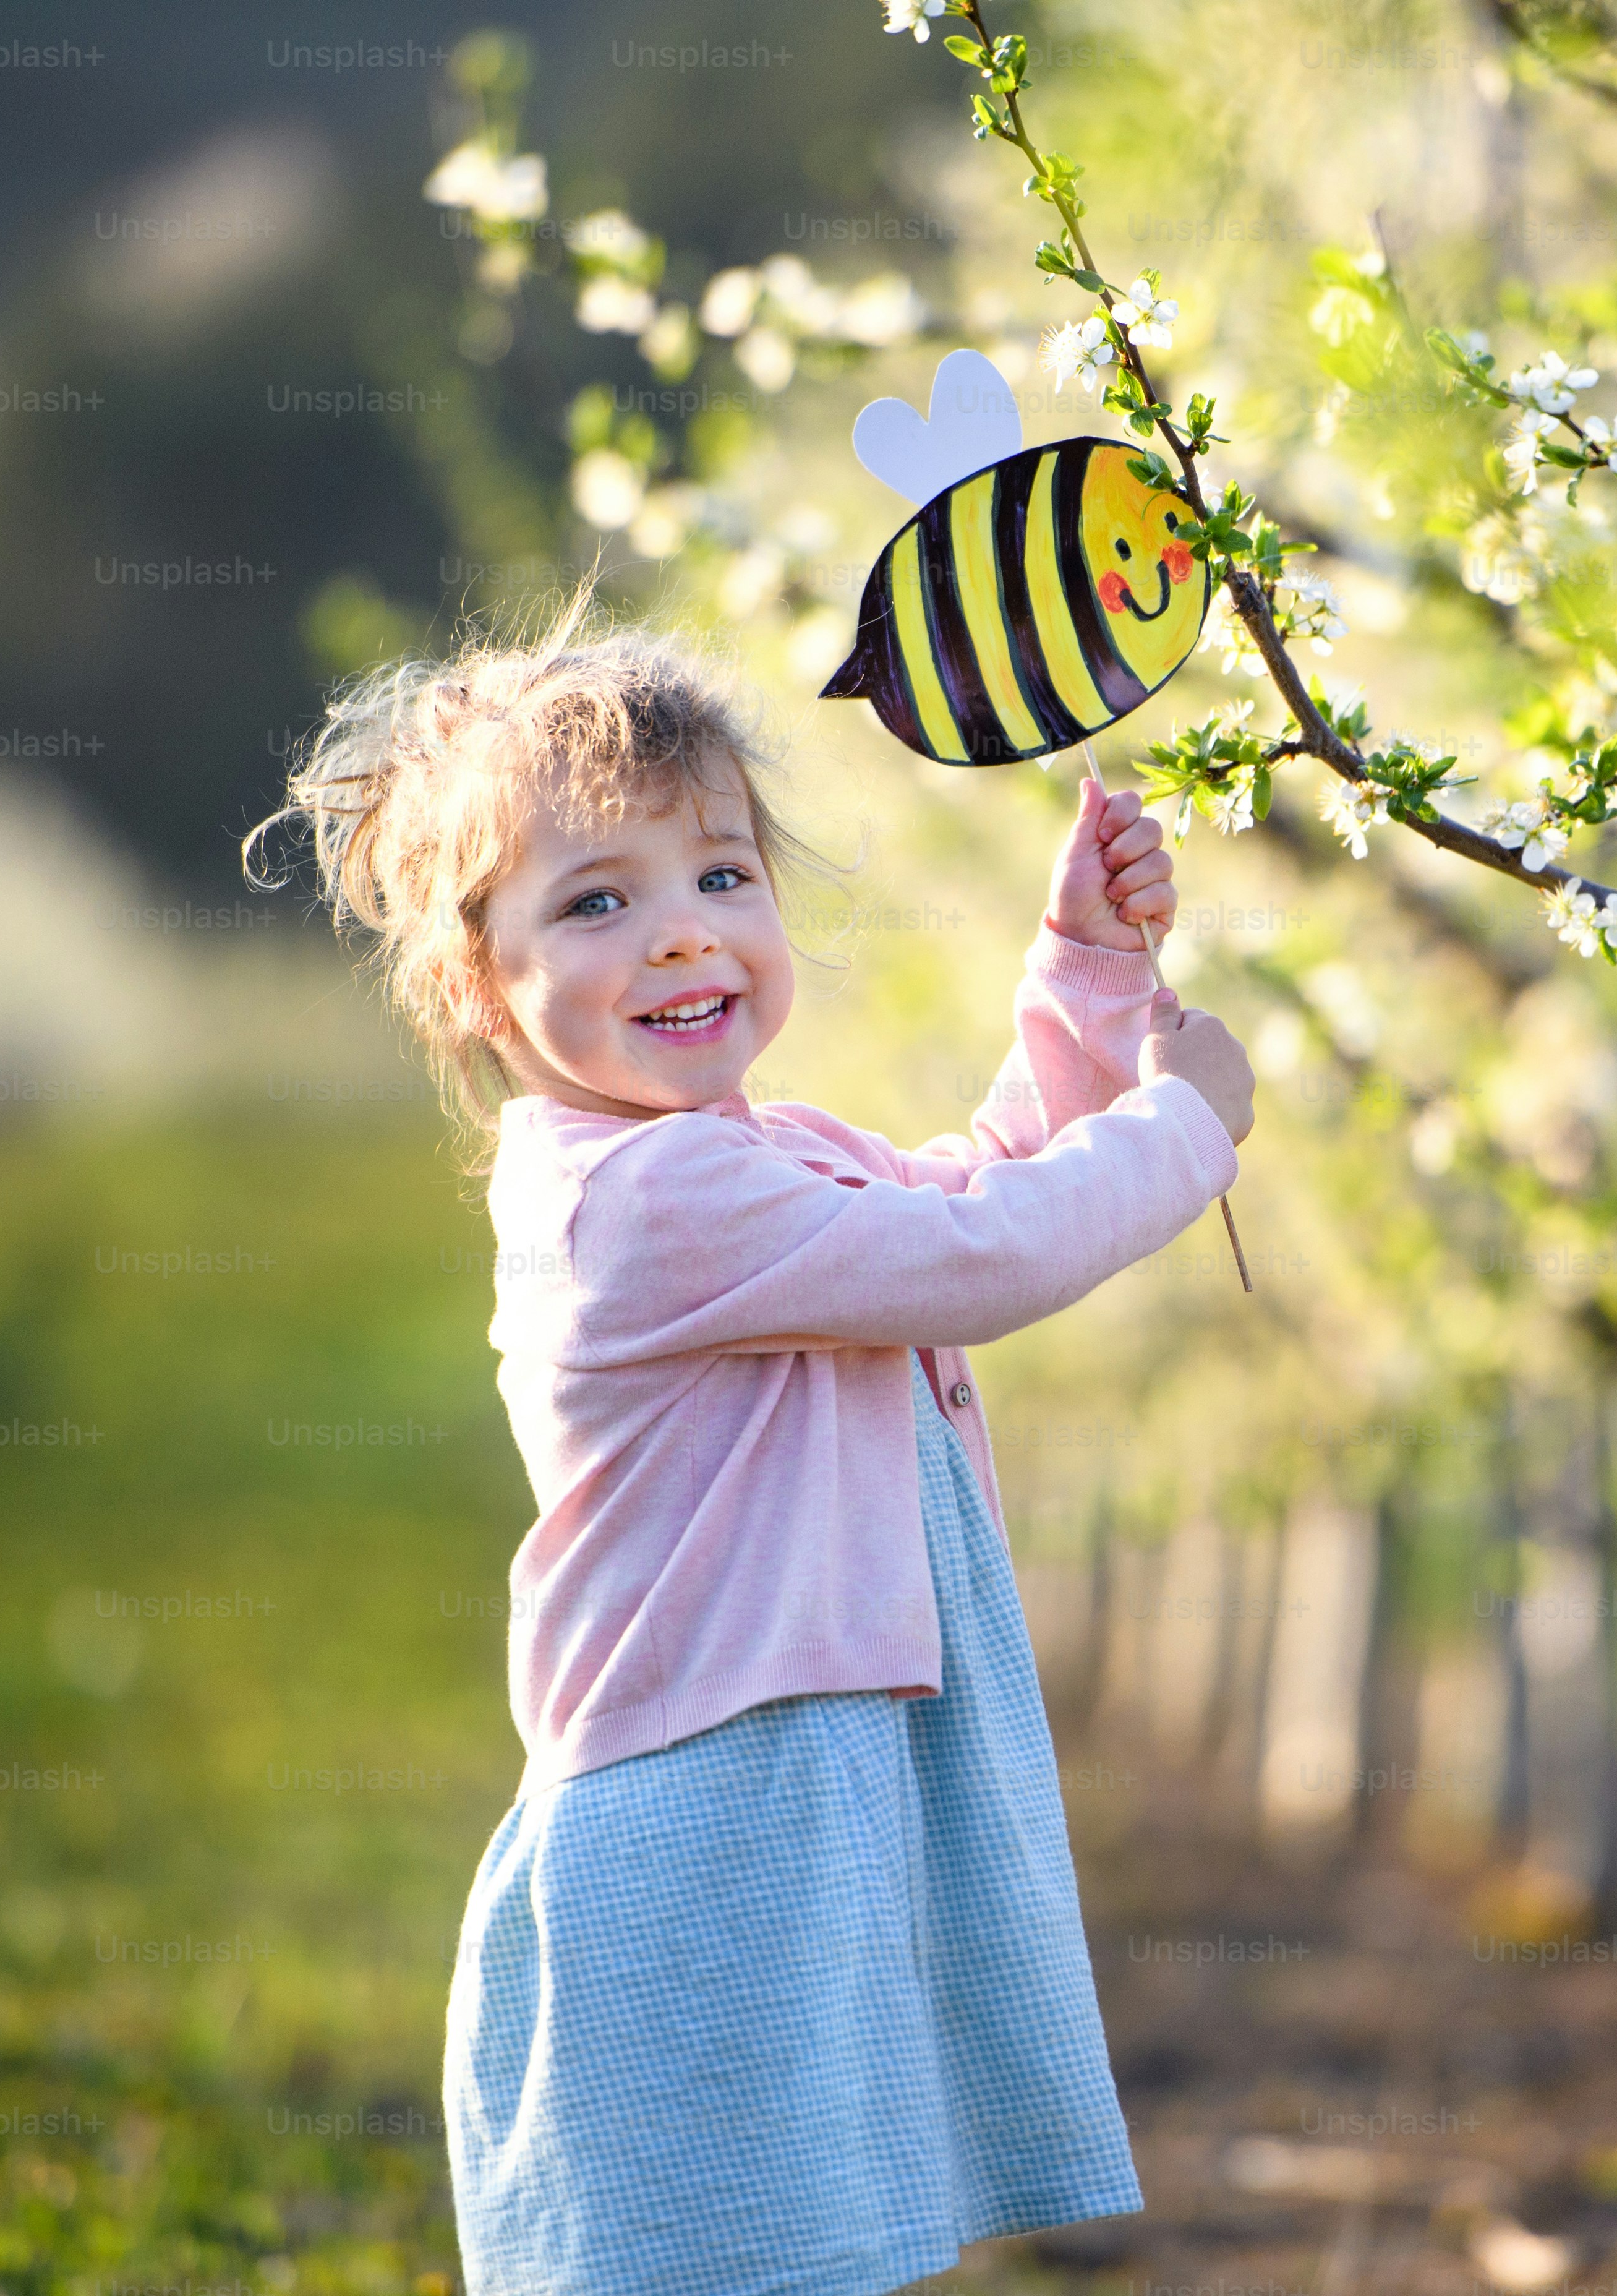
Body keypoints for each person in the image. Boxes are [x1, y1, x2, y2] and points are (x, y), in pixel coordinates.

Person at [250, 592, 1254, 2296]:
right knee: (729, 2246)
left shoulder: (750, 1158)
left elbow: (961, 1193)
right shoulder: (651, 1199)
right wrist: (1186, 1132)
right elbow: (980, 1258)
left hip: (791, 1767)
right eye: (598, 903)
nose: (684, 935)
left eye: (722, 876)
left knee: (806, 2238)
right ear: (479, 993)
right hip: (715, 1806)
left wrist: (1085, 977)